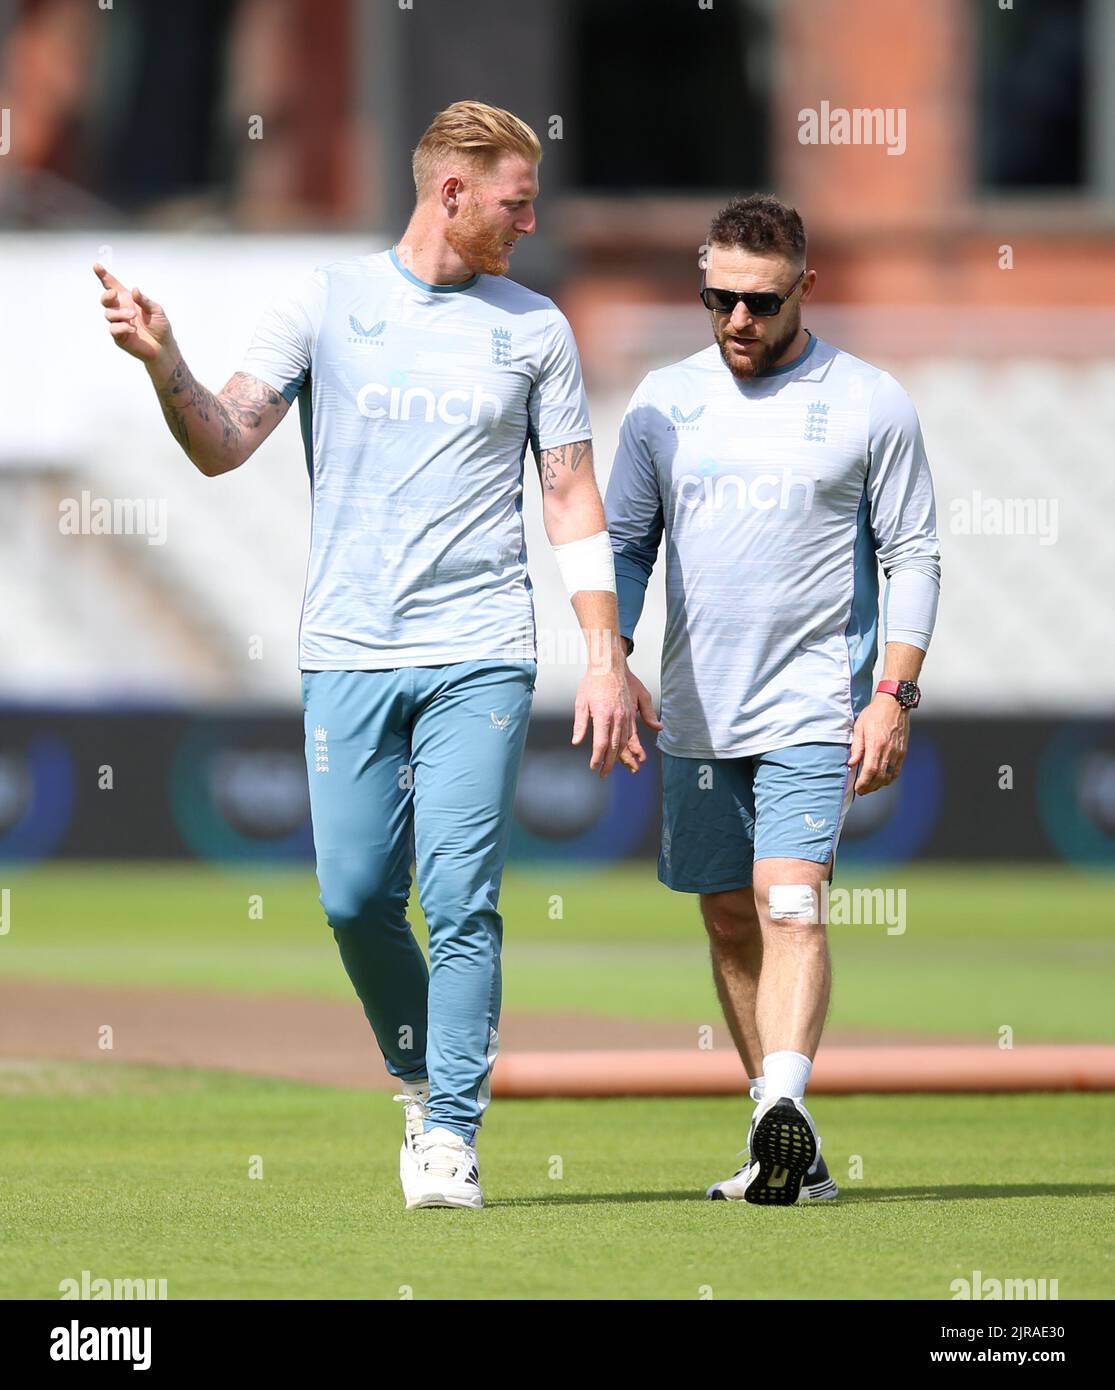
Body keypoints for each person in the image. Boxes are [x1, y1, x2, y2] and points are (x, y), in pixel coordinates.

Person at [95, 100, 638, 1211]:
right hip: (346, 648)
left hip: (481, 648)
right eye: (513, 201)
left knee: (462, 894)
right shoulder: (323, 300)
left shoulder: (535, 325)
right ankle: (415, 1070)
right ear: (451, 192)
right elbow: (223, 441)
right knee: (351, 897)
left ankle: (449, 1133)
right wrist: (165, 365)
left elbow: (570, 491)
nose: (528, 221)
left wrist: (603, 650)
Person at [606, 193, 940, 1205]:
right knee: (723, 918)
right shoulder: (663, 403)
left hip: (813, 705)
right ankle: (779, 1136)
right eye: (716, 300)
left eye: (758, 301)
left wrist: (891, 693)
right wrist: (608, 653)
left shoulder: (868, 400)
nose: (736, 322)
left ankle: (781, 1104)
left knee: (786, 900)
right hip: (697, 712)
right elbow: (625, 544)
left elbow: (913, 551)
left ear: (805, 286)